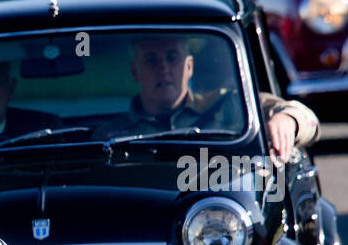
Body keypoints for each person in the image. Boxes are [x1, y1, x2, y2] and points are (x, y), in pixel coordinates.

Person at [104, 35, 318, 162]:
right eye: (151, 59)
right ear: (135, 72)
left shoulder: (229, 106)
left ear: (189, 67)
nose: (164, 69)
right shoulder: (110, 135)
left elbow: (308, 119)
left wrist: (288, 121)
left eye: (172, 58)